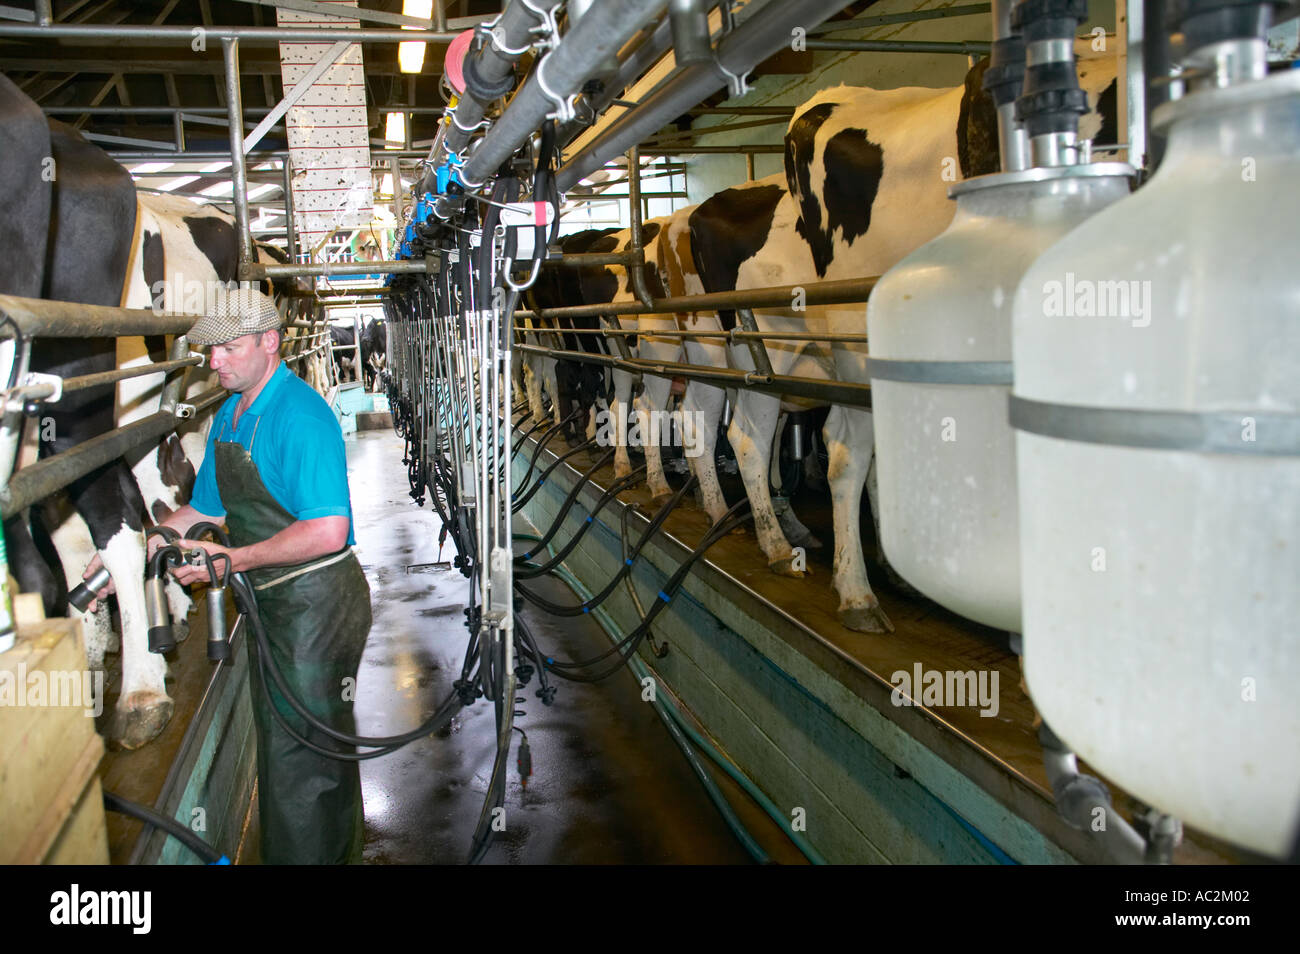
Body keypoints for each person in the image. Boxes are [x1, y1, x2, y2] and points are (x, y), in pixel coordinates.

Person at [87, 287, 372, 864]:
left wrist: (233, 560)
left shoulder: (303, 415)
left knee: (303, 754)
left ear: (271, 343)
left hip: (318, 604)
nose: (213, 362)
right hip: (271, 601)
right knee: (289, 744)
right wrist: (139, 548)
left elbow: (328, 530)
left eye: (227, 349)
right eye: (207, 352)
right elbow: (205, 511)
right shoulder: (228, 415)